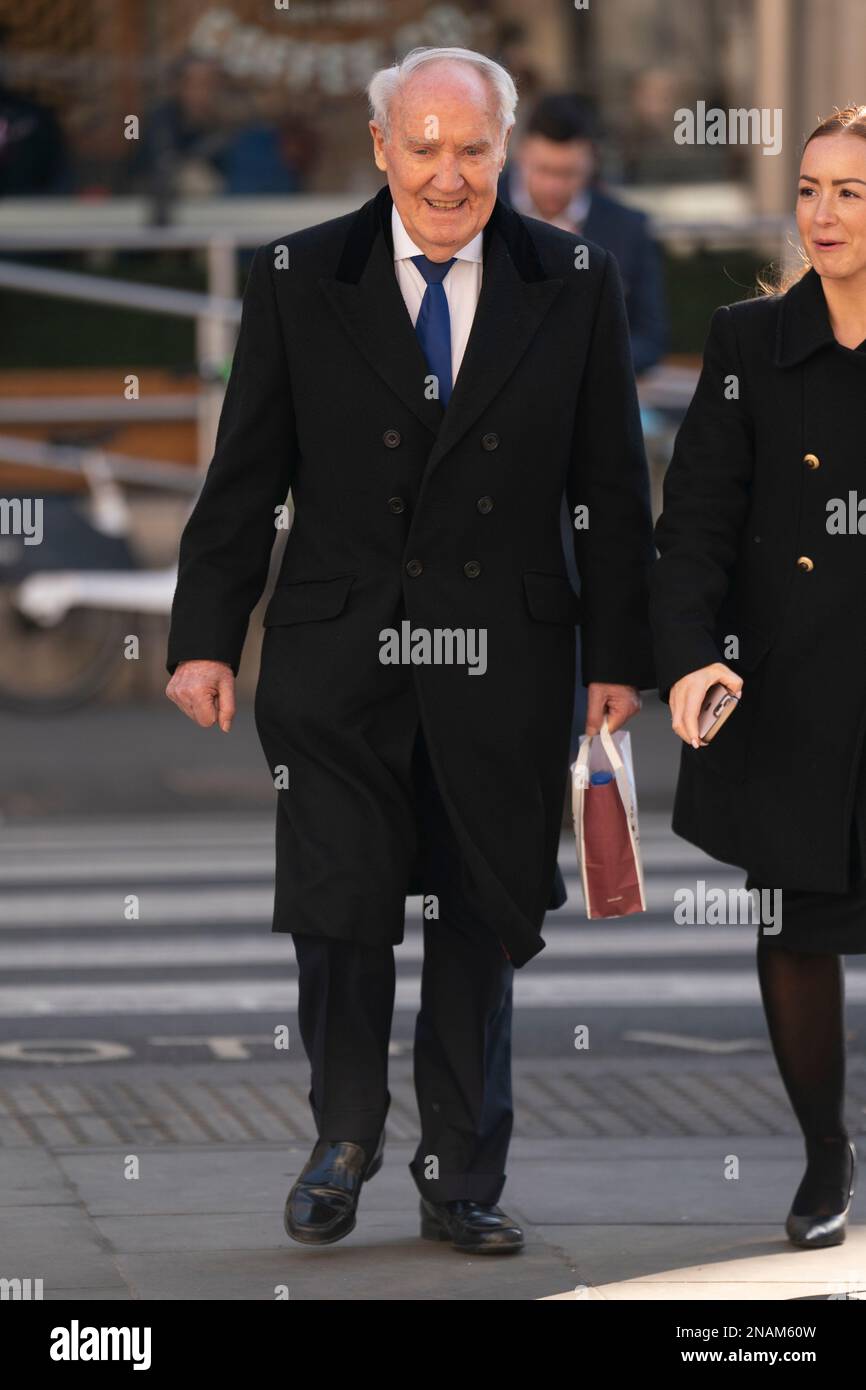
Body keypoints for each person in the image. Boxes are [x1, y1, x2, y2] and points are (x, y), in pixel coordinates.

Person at [165, 46, 655, 1255]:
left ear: (504, 153)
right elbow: (246, 472)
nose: (449, 174)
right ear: (380, 149)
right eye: (424, 147)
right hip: (341, 653)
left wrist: (620, 652)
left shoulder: (570, 277)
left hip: (508, 658)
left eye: (472, 149)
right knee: (338, 902)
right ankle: (342, 1137)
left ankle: (458, 1175)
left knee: (480, 914)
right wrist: (202, 637)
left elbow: (605, 481)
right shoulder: (300, 275)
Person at [650, 104, 866, 1250]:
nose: (821, 213)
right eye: (810, 188)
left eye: (850, 191)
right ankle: (823, 1156)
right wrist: (686, 653)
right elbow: (691, 522)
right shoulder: (750, 343)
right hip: (788, 689)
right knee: (793, 927)